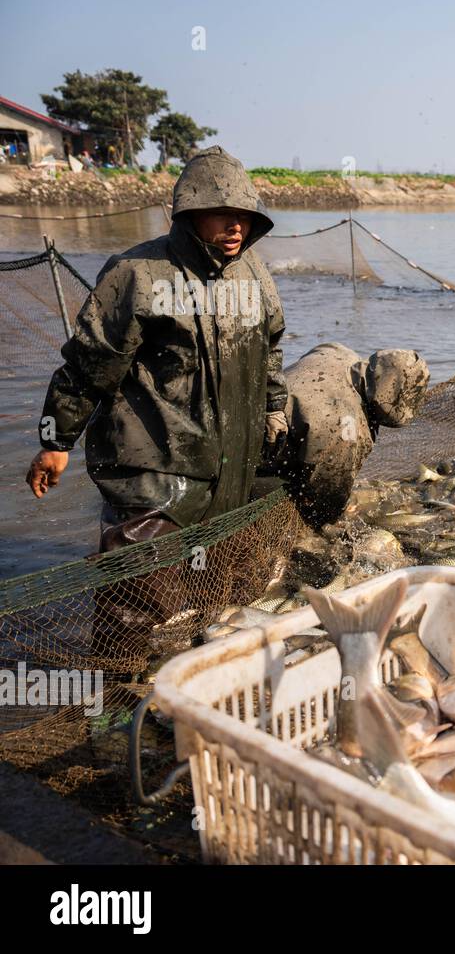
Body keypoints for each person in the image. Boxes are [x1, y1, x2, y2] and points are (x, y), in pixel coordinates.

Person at [25, 145, 286, 665]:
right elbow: (89, 363)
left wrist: (274, 409)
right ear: (189, 214)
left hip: (229, 466)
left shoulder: (253, 273)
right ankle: (115, 698)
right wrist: (55, 441)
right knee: (136, 597)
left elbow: (270, 350)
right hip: (153, 464)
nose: (236, 227)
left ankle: (192, 674)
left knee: (216, 587)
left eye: (246, 217)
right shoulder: (137, 273)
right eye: (223, 214)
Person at [262, 343, 430, 528]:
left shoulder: (336, 351)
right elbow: (329, 494)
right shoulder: (344, 425)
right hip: (257, 457)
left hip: (255, 412)